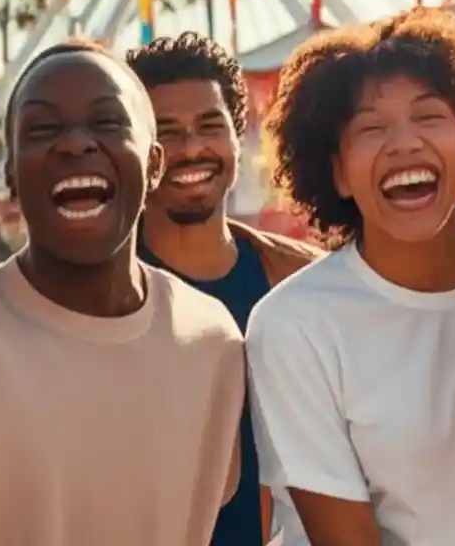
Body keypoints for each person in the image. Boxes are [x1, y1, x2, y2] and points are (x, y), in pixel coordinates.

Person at [0, 40, 247, 545]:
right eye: (43, 129)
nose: (75, 144)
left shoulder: (212, 341)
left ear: (154, 165)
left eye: (108, 122)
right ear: (12, 178)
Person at [247, 8, 455, 545]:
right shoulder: (295, 324)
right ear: (338, 174)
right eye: (372, 128)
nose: (404, 144)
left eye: (429, 117)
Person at [126, 31, 320, 544]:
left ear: (237, 136)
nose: (190, 148)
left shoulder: (302, 283)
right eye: (166, 133)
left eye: (208, 126)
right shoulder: (100, 299)